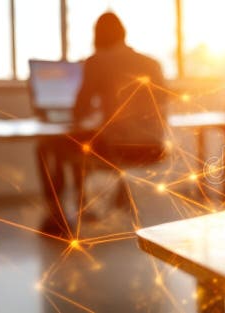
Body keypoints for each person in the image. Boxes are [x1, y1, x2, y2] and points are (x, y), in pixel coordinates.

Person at [39, 12, 166, 234]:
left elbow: (81, 109)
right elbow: (160, 105)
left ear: (97, 36)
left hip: (118, 148)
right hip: (156, 147)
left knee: (49, 145)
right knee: (87, 140)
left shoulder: (97, 60)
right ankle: (88, 204)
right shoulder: (152, 63)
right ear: (123, 34)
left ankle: (56, 216)